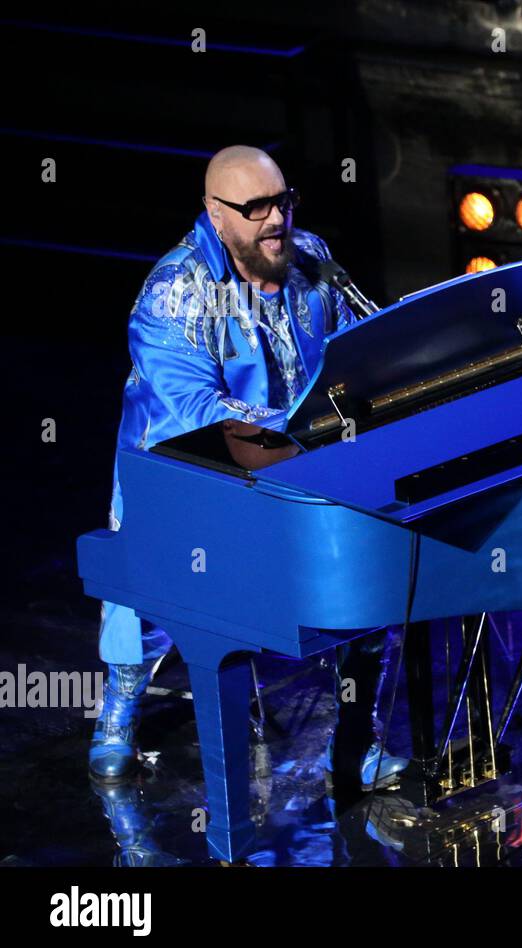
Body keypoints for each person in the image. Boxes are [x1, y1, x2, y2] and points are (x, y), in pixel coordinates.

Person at [91, 145, 407, 791]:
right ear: (215, 212)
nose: (276, 219)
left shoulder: (311, 258)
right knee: (145, 611)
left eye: (283, 201)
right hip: (185, 479)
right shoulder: (175, 292)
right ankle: (117, 717)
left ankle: (356, 744)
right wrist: (305, 428)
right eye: (256, 207)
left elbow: (359, 340)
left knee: (367, 590)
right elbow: (192, 408)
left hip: (298, 469)